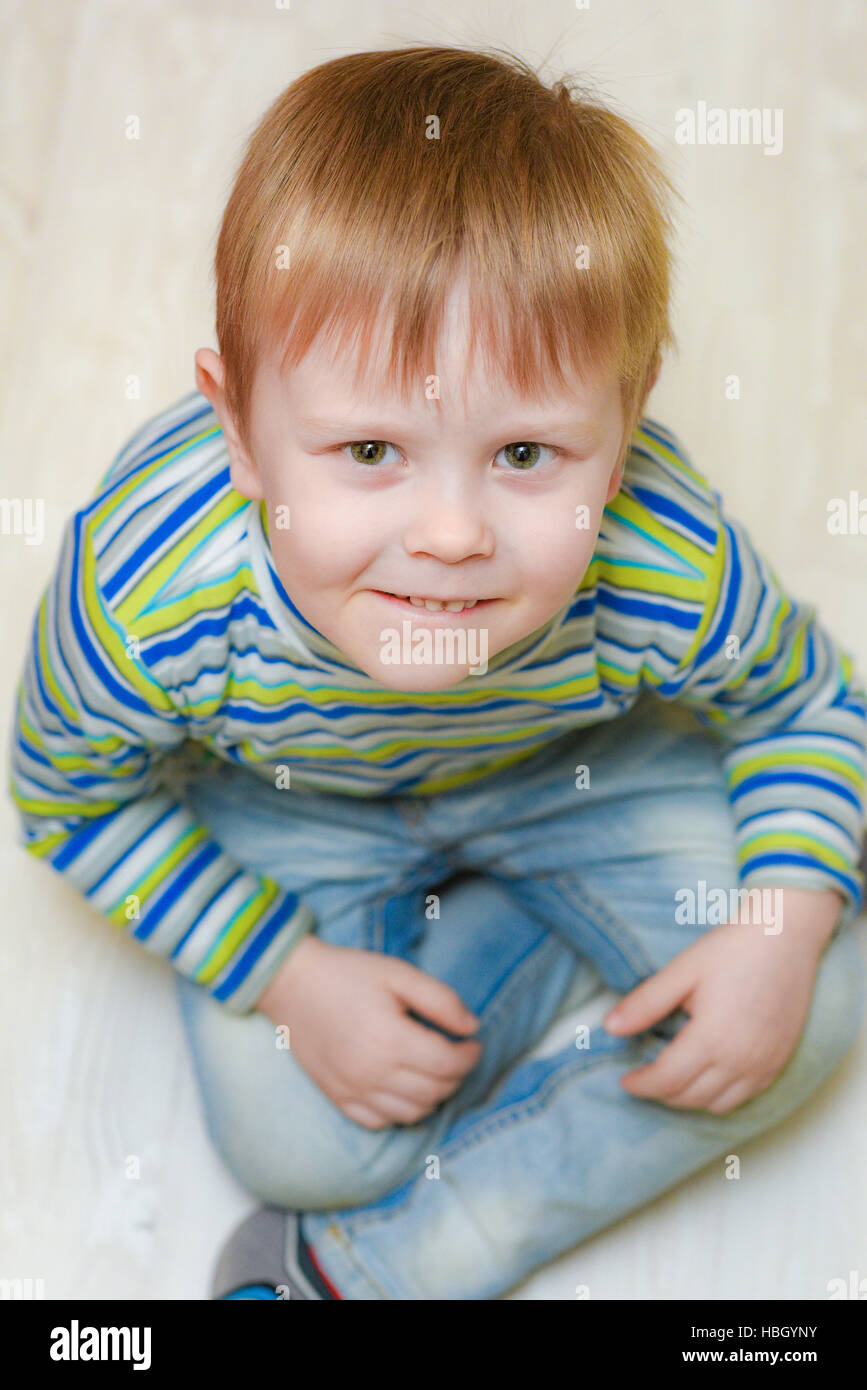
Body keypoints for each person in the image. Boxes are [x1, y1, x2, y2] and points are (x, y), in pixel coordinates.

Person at [9, 45, 865, 1301]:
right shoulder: (145, 593)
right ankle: (522, 944)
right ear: (238, 429)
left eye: (526, 451)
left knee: (810, 1003)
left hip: (578, 778)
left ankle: (369, 1276)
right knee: (297, 1141)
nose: (453, 533)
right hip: (290, 808)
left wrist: (781, 921)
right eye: (370, 448)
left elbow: (806, 700)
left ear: (622, 443)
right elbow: (69, 796)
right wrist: (290, 973)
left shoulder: (663, 557)